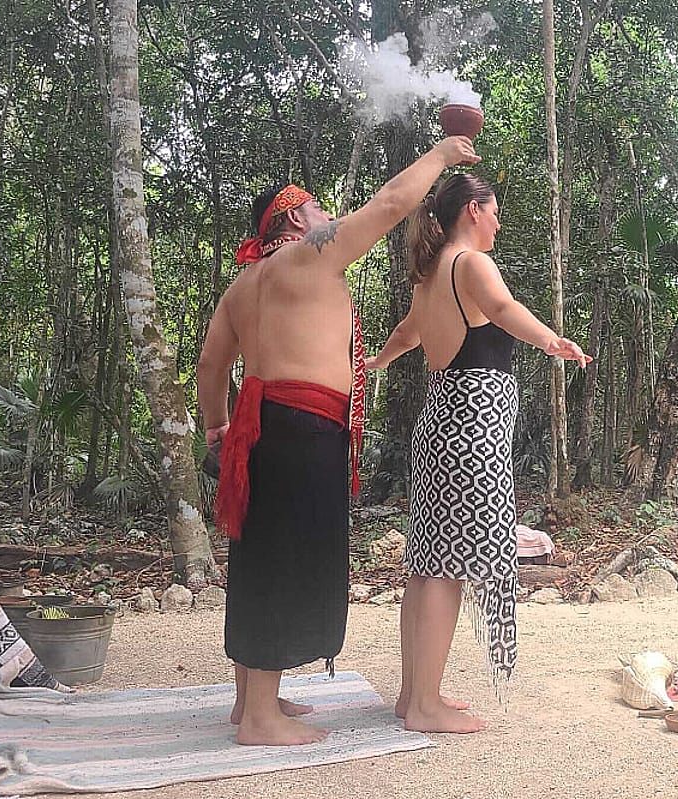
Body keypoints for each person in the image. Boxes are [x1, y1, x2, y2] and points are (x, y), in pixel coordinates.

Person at [196, 136, 479, 746]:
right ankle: (260, 721)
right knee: (285, 558)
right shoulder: (311, 255)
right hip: (303, 427)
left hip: (258, 429)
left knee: (260, 555)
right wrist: (439, 157)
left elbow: (212, 365)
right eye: (320, 208)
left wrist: (217, 425)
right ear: (297, 217)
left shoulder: (241, 287)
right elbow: (387, 206)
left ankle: (251, 700)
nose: (330, 216)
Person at [366, 173, 591, 734]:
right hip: (473, 424)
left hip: (441, 419)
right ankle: (424, 706)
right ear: (472, 210)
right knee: (448, 566)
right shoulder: (470, 265)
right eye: (493, 212)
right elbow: (503, 306)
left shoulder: (429, 277)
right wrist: (550, 340)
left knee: (427, 562)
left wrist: (376, 364)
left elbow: (406, 335)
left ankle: (412, 694)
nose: (497, 222)